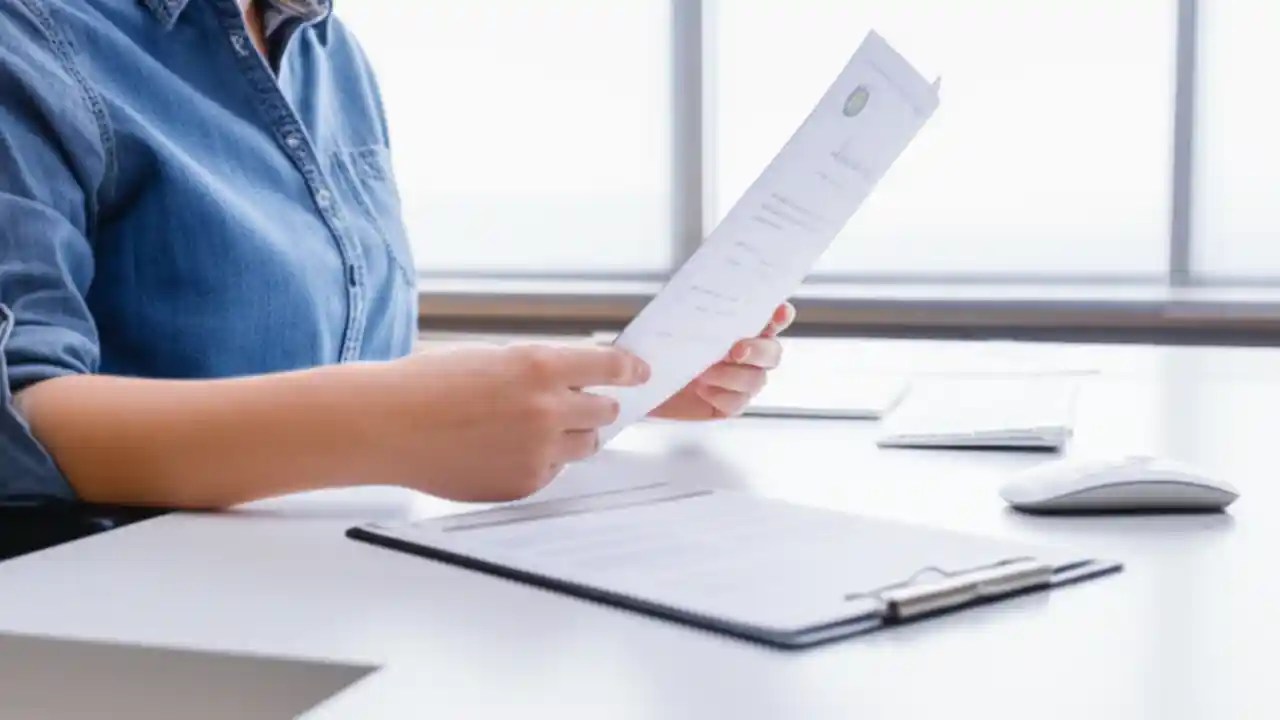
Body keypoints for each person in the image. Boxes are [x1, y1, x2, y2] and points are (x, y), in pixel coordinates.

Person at [0, 0, 793, 509]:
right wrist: (396, 422)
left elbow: (334, 351)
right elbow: (20, 417)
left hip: (322, 578)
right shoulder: (28, 32)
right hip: (128, 621)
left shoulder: (324, 49)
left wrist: (593, 385)